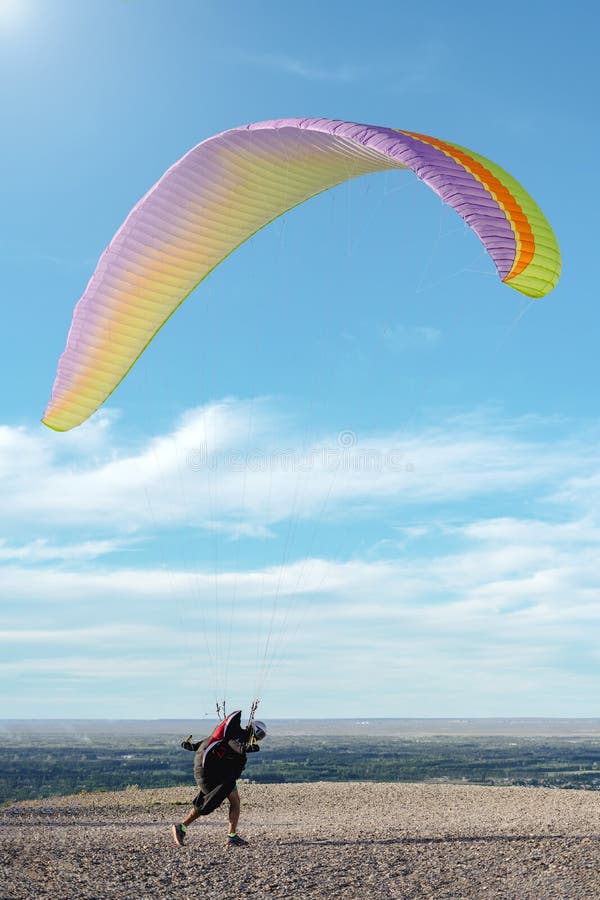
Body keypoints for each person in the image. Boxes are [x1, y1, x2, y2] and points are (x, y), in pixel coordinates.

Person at [171, 710, 267, 848]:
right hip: (213, 774)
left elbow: (209, 741)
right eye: (260, 735)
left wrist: (192, 747)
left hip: (219, 773)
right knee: (209, 802)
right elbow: (235, 745)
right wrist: (246, 748)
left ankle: (230, 836)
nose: (259, 738)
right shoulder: (237, 736)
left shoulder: (233, 734)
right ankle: (183, 828)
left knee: (234, 801)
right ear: (254, 731)